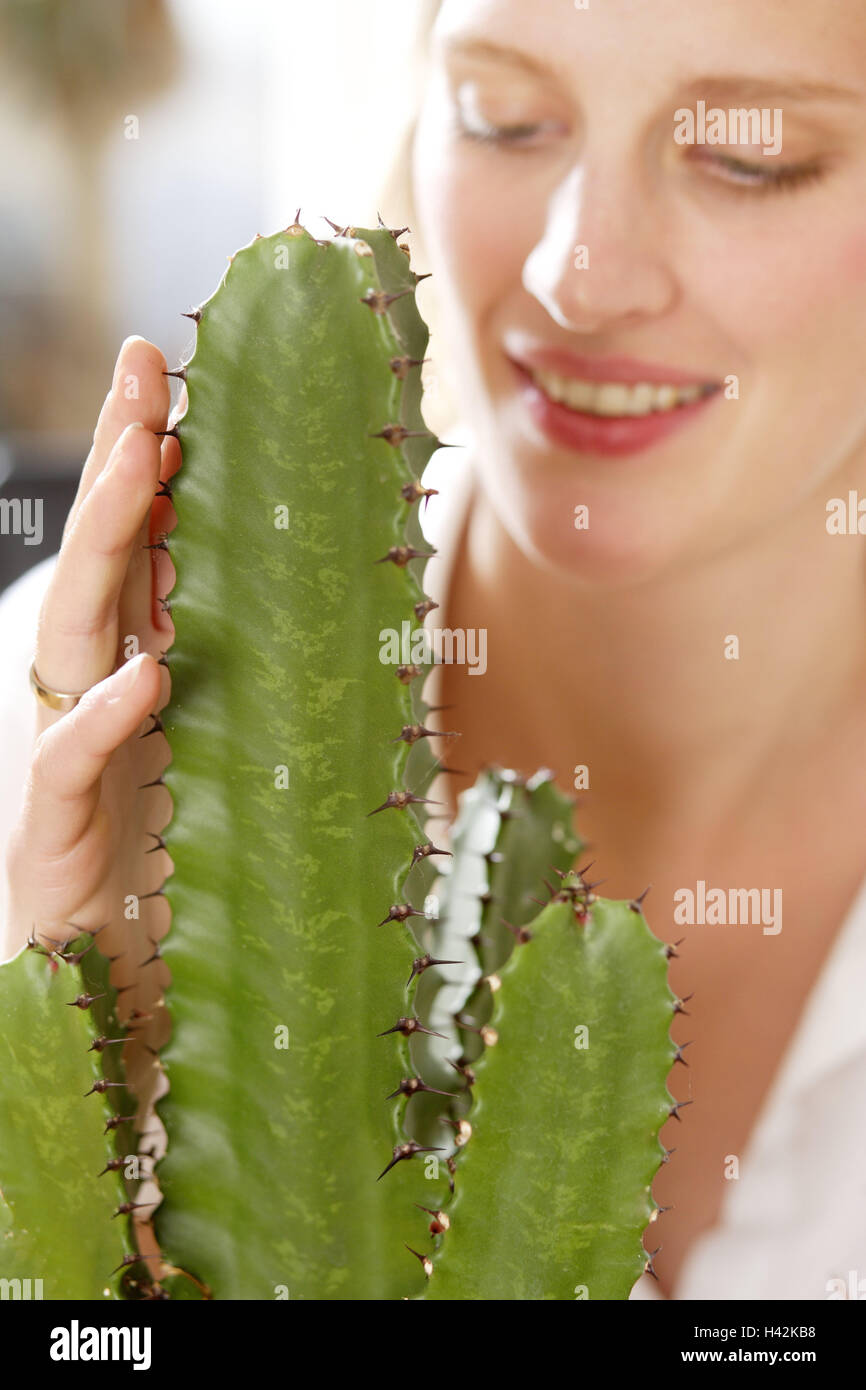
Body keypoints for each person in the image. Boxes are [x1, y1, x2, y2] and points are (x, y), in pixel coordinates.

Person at [3, 0, 866, 1301]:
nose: (577, 272)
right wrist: (98, 1127)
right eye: (503, 117)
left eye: (751, 156)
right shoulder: (58, 749)